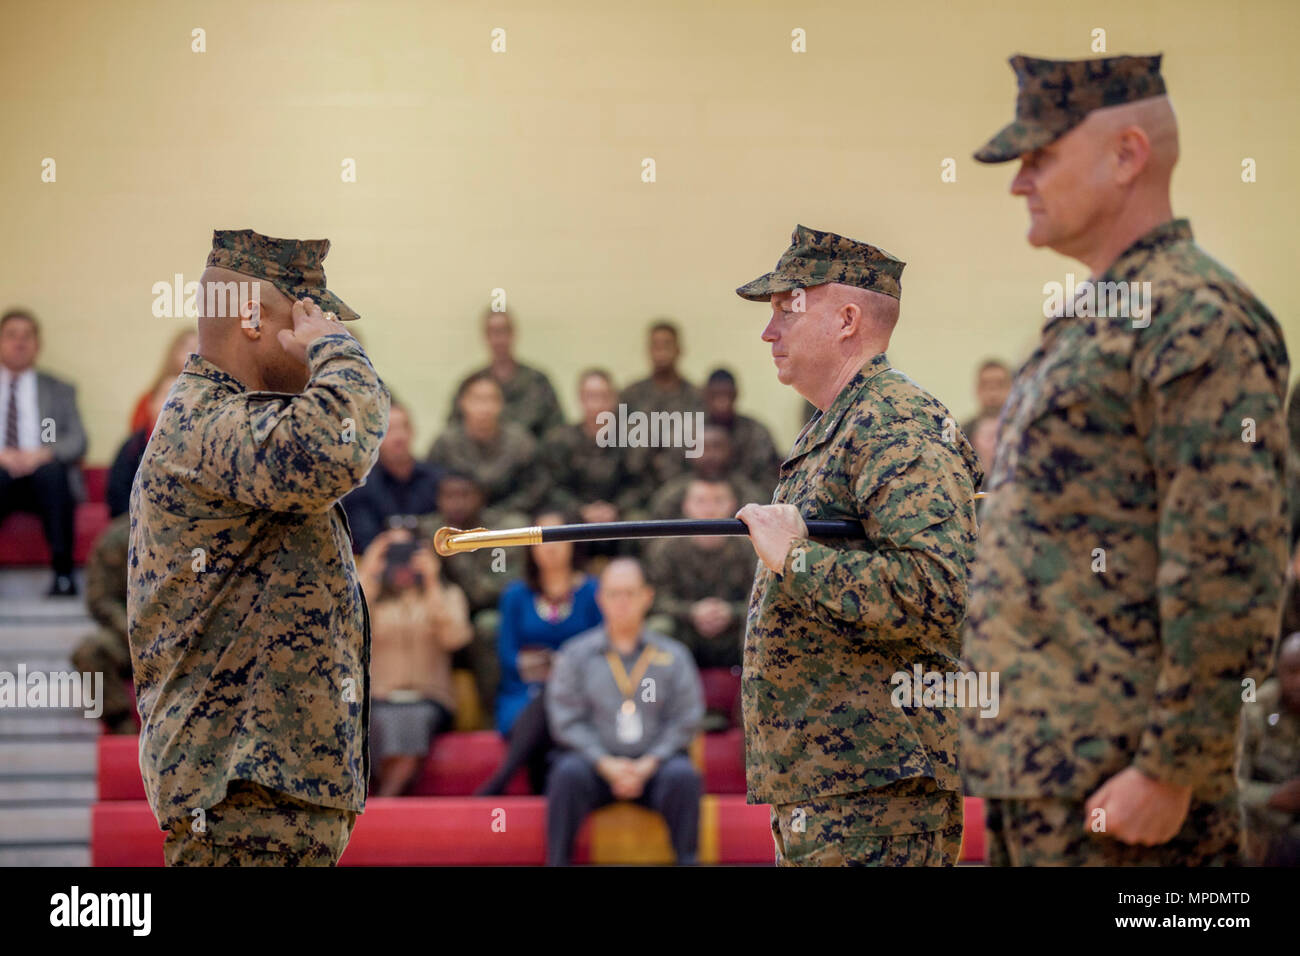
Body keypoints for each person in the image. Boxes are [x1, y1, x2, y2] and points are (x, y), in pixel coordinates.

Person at [964, 54, 1288, 865]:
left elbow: (1229, 560)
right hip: (1045, 776)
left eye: (1040, 156)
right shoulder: (1095, 318)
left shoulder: (1193, 318)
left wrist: (1173, 769)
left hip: (1127, 791)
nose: (1018, 183)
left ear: (1127, 155)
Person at [128, 229, 390, 866]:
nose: (318, 329)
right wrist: (337, 349)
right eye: (304, 312)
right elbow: (339, 439)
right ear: (249, 316)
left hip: (266, 791)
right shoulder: (206, 423)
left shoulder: (236, 421)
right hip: (242, 794)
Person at [733, 224, 982, 866]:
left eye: (786, 311)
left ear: (846, 320)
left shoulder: (894, 423)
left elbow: (937, 588)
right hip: (834, 788)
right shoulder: (839, 425)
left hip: (878, 793)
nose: (768, 332)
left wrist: (796, 557)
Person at [545, 557, 704, 866]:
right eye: (614, 593)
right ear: (600, 598)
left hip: (655, 766)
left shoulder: (673, 656)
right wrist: (605, 763)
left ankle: (688, 860)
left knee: (684, 776)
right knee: (566, 774)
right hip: (596, 766)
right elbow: (566, 720)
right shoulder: (576, 655)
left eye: (630, 593)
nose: (622, 602)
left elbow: (686, 719)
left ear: (648, 596)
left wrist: (648, 763)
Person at [475, 510, 601, 796]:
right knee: (546, 703)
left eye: (558, 538)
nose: (551, 547)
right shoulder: (515, 595)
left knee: (556, 697)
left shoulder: (594, 591)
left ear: (574, 542)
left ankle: (502, 780)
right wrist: (543, 665)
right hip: (523, 693)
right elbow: (507, 656)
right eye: (543, 539)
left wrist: (564, 668)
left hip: (581, 692)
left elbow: (603, 647)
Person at [358, 528, 472, 797]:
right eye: (391, 554)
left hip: (428, 698)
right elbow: (347, 628)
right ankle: (386, 801)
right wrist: (369, 569)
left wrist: (432, 581)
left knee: (412, 718)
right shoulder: (372, 598)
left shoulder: (447, 594)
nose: (400, 561)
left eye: (407, 553)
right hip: (380, 697)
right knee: (380, 719)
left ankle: (384, 802)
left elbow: (455, 638)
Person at [418, 470, 525, 720]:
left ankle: (494, 713)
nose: (456, 503)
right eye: (449, 495)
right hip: (445, 613)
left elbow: (499, 589)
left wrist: (455, 558)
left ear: (481, 497)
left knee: (488, 626)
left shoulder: (503, 529)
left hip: (491, 613)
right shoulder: (428, 530)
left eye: (465, 495)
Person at [0, 308, 87, 596]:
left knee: (52, 473)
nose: (19, 342)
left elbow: (76, 439)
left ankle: (63, 576)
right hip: (2, 473)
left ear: (37, 345)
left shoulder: (58, 389)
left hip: (43, 477)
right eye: (12, 335)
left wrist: (42, 453)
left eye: (27, 336)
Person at [644, 478, 753, 673]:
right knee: (658, 628)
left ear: (733, 505)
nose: (709, 509)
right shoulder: (666, 549)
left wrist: (731, 612)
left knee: (760, 625)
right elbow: (655, 599)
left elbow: (762, 598)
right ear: (686, 506)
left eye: (718, 500)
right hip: (686, 632)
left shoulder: (751, 548)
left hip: (734, 635)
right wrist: (692, 611)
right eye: (701, 501)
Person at [428, 372, 547, 516]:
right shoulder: (445, 443)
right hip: (455, 518)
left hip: (507, 517)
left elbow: (534, 488)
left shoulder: (520, 442)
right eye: (477, 399)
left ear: (502, 404)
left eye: (492, 399)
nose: (485, 407)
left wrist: (503, 511)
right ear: (462, 402)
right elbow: (432, 486)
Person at [541, 368, 646, 523]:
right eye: (591, 397)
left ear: (614, 399)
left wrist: (616, 508)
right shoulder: (560, 440)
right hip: (575, 515)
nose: (597, 404)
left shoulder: (632, 440)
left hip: (620, 515)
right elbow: (554, 486)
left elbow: (640, 485)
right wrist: (581, 509)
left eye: (603, 396)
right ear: (580, 399)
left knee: (639, 520)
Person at [448, 309, 564, 439]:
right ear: (485, 336)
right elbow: (454, 431)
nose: (498, 338)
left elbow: (556, 430)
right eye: (493, 332)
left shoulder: (537, 382)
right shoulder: (471, 384)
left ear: (513, 334)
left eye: (503, 331)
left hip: (530, 456)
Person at [343, 401, 443, 552]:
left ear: (413, 431)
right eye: (389, 430)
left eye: (404, 427)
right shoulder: (360, 487)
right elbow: (364, 541)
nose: (399, 437)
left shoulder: (437, 480)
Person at [1236, 633, 1300, 866]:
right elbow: (1225, 787)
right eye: (1292, 671)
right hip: (1256, 834)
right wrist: (1271, 797)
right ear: (1278, 671)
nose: (1298, 682)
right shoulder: (1255, 712)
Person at [69, 514, 135, 734]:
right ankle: (122, 728)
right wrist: (131, 629)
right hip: (130, 637)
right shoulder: (117, 538)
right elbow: (100, 599)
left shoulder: (186, 531)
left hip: (181, 637)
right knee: (90, 651)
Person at [619, 321, 704, 492]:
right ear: (648, 351)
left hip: (682, 487)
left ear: (679, 350)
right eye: (655, 345)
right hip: (636, 488)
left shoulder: (696, 396)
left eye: (667, 344)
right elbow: (617, 444)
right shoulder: (631, 394)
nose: (661, 351)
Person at [646, 424, 765, 521]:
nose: (710, 456)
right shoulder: (671, 495)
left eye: (717, 447)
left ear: (731, 452)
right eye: (703, 448)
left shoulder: (750, 495)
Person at [702, 368, 781, 497]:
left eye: (727, 395)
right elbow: (672, 473)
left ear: (736, 394)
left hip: (744, 499)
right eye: (715, 396)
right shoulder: (688, 431)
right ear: (705, 395)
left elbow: (771, 478)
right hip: (695, 496)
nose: (722, 403)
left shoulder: (756, 431)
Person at [106, 376, 176, 519]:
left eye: (179, 396)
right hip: (135, 521)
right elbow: (117, 495)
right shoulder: (132, 447)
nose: (173, 402)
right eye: (167, 395)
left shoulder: (199, 448)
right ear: (151, 404)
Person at [128, 328, 197, 434]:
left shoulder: (200, 399)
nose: (191, 356)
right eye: (188, 348)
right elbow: (136, 430)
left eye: (196, 351)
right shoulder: (147, 400)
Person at [959, 359, 1011, 436]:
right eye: (986, 385)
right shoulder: (961, 433)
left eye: (1000, 385)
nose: (993, 392)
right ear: (977, 390)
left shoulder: (1026, 432)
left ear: (1011, 388)